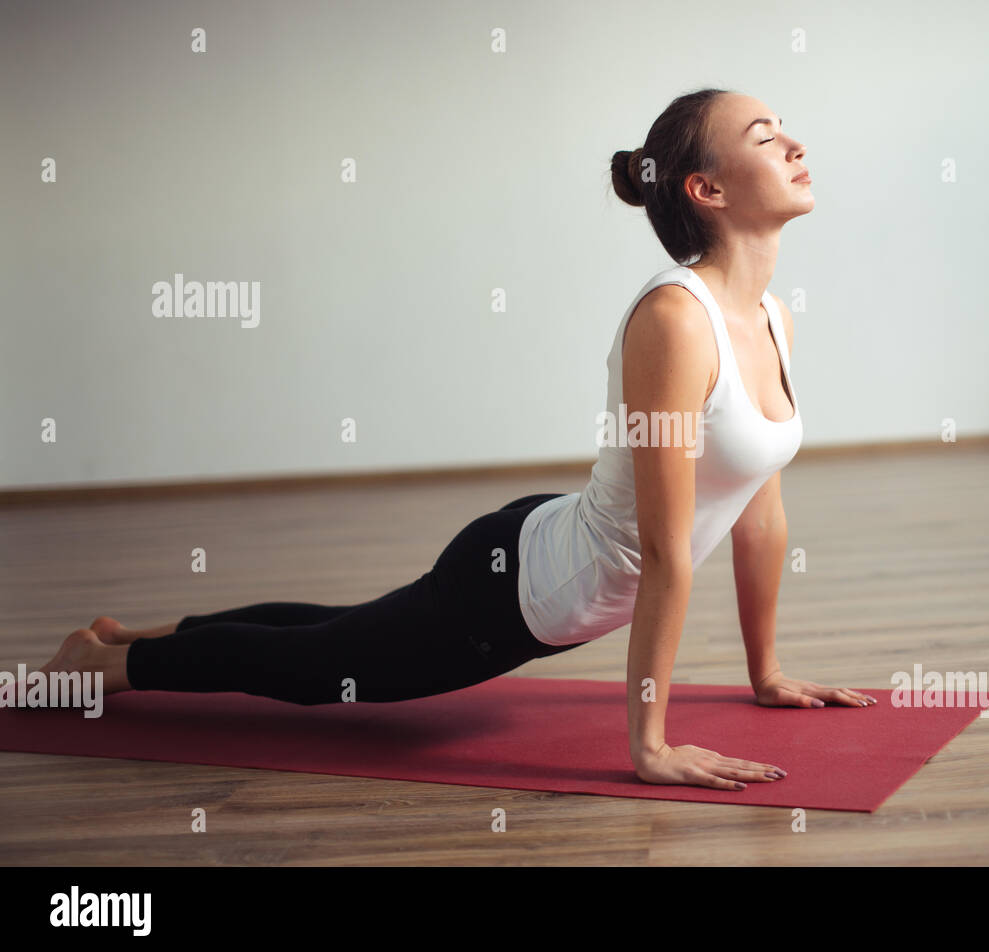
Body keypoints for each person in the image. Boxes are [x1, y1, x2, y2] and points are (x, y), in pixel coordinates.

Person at [27, 88, 873, 792]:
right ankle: (104, 670)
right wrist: (648, 748)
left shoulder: (770, 316)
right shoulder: (674, 321)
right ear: (708, 190)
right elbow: (665, 548)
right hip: (518, 591)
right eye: (765, 136)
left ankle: (129, 636)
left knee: (347, 629)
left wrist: (766, 675)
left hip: (548, 547)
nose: (795, 142)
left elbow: (759, 510)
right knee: (325, 669)